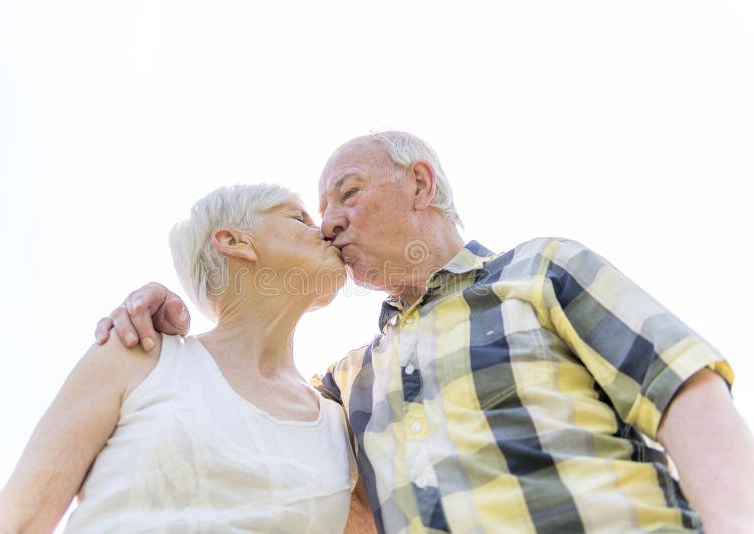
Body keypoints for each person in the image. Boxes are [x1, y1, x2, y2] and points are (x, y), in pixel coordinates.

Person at [95, 132, 754, 534]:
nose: (329, 224)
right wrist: (167, 303)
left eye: (346, 194)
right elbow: (253, 400)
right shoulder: (344, 387)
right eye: (319, 211)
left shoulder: (540, 271)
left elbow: (682, 391)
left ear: (418, 182)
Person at [0, 184, 375, 533]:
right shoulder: (138, 355)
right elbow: (17, 519)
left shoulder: (342, 424)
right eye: (298, 218)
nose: (324, 228)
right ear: (235, 241)